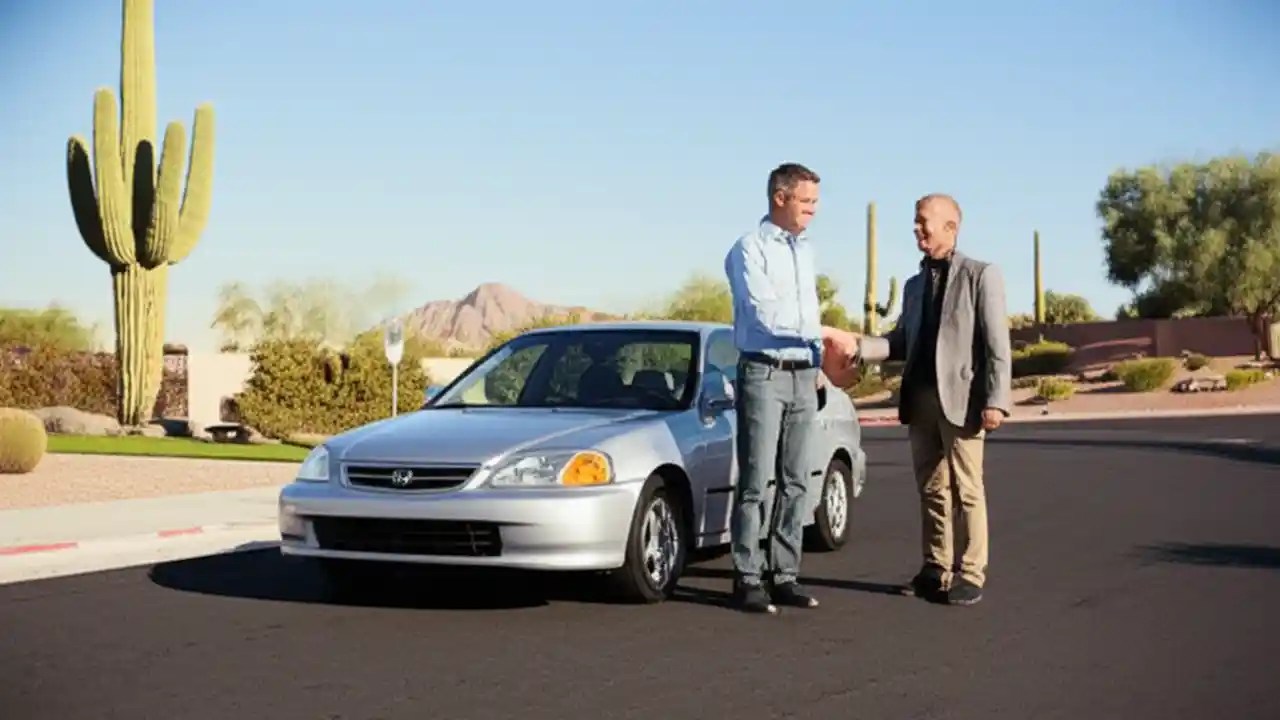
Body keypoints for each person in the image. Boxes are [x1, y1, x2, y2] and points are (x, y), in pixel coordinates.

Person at [855, 193, 1012, 606]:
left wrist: (996, 399)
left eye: (924, 221)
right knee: (931, 488)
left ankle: (971, 573)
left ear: (951, 227)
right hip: (920, 400)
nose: (917, 229)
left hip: (962, 401)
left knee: (967, 490)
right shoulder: (912, 285)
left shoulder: (981, 275)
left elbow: (998, 345)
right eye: (915, 222)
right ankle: (935, 568)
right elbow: (900, 341)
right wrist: (858, 347)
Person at [723, 162, 827, 614]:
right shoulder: (747, 251)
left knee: (796, 479)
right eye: (806, 202)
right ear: (780, 198)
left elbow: (807, 312)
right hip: (763, 374)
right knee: (756, 481)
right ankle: (748, 576)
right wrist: (825, 334)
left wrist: (820, 358)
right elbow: (765, 315)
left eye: (815, 204)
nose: (812, 211)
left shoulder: (805, 251)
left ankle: (785, 574)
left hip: (804, 374)